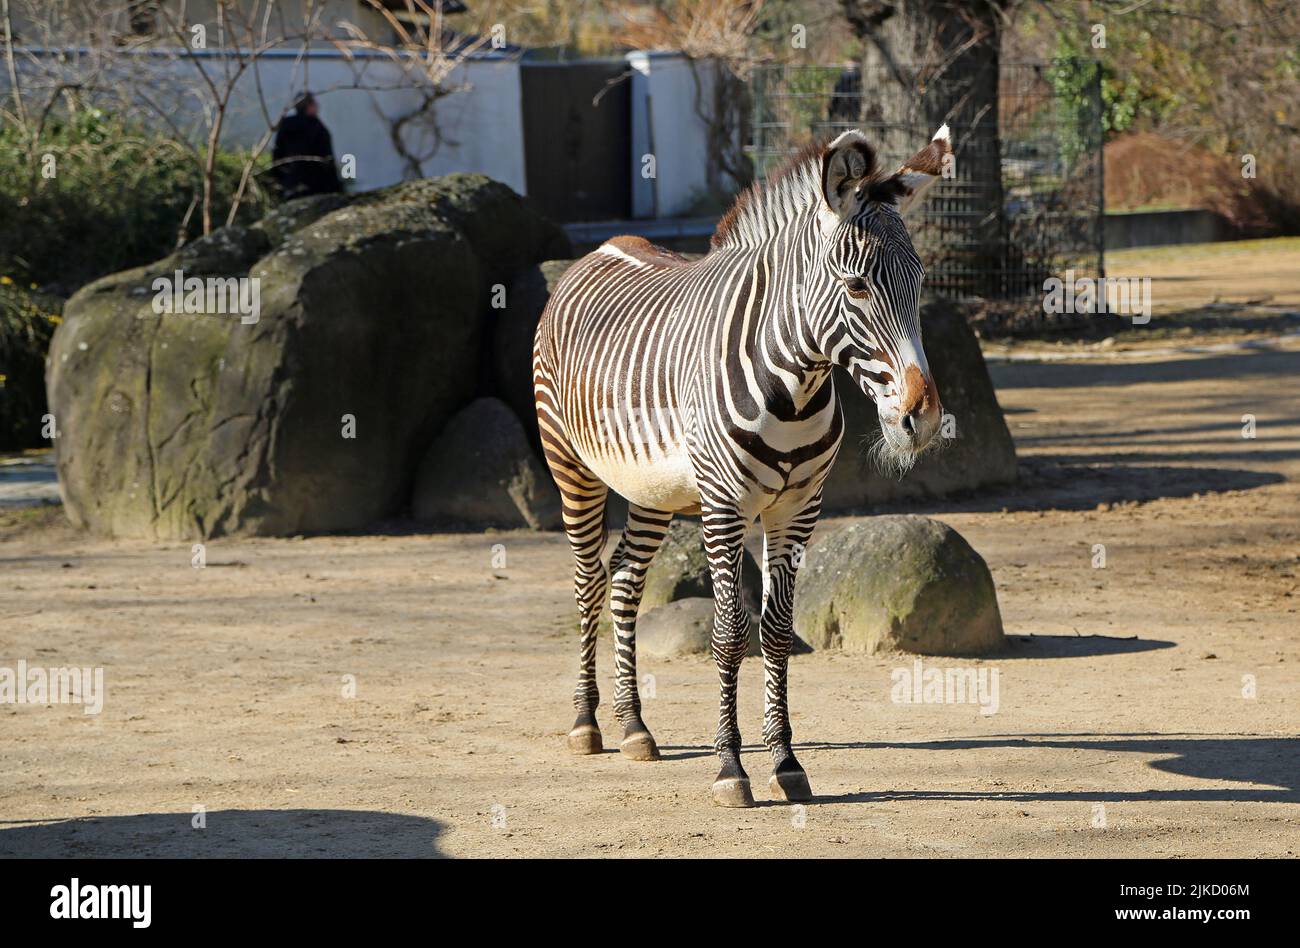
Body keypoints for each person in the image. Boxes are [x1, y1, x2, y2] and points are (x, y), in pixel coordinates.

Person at [271, 92, 343, 198]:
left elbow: (277, 156)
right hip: (316, 187)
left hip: (290, 186)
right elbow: (327, 160)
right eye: (315, 103)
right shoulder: (317, 128)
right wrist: (337, 189)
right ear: (309, 106)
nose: (318, 106)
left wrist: (281, 183)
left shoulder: (286, 126)